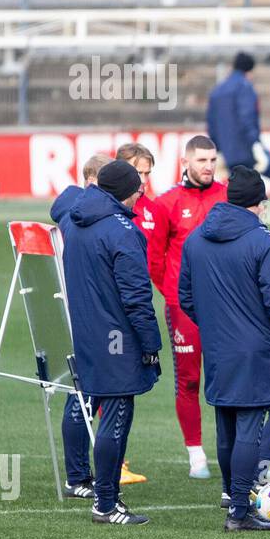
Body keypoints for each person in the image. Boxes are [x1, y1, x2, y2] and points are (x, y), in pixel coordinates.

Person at [178, 167, 270, 531]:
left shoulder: (195, 240)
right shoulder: (265, 242)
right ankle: (239, 510)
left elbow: (185, 298)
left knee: (227, 427)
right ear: (259, 205)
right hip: (258, 349)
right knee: (251, 426)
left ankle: (231, 497)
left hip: (219, 348)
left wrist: (216, 324)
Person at [61, 160, 162, 525]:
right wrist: (151, 344)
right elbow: (137, 297)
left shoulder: (74, 221)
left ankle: (100, 494)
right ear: (124, 191)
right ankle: (106, 503)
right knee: (116, 417)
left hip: (88, 333)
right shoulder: (123, 231)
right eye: (138, 189)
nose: (141, 195)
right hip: (118, 338)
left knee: (101, 410)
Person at [153, 135, 228, 478]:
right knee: (189, 379)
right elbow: (154, 259)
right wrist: (174, 294)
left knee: (227, 377)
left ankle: (232, 450)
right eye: (201, 161)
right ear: (185, 163)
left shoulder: (227, 197)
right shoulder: (168, 202)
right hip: (183, 307)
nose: (209, 167)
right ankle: (195, 452)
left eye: (212, 160)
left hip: (226, 305)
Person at [49, 152, 112, 500]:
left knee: (84, 393)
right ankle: (78, 477)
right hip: (92, 315)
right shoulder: (87, 213)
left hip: (78, 310)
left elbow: (61, 202)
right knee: (87, 393)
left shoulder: (72, 208)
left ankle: (80, 475)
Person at [114, 141, 170, 486]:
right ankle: (106, 463)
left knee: (124, 387)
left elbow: (159, 262)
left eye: (148, 173)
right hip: (115, 310)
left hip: (137, 307)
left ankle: (116, 459)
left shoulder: (153, 210)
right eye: (138, 172)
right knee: (109, 387)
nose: (144, 180)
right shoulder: (115, 211)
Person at [206, 51, 270, 195]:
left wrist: (218, 149)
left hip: (229, 155)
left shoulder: (216, 91)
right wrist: (255, 144)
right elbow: (247, 117)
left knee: (240, 196)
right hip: (248, 150)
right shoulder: (245, 86)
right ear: (249, 71)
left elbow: (211, 124)